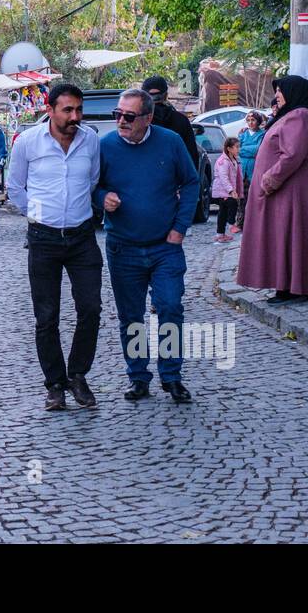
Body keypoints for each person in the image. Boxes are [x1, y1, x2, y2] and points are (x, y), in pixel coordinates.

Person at [97, 88, 200, 404]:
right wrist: (103, 198)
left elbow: (192, 181)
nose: (121, 121)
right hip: (122, 247)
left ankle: (172, 377)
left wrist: (180, 228)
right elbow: (91, 186)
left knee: (170, 307)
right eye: (118, 114)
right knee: (131, 316)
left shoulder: (170, 142)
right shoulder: (105, 146)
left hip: (164, 247)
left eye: (129, 116)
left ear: (148, 117)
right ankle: (138, 378)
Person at [6, 83, 102, 411]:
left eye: (78, 110)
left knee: (91, 309)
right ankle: (54, 384)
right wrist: (39, 215)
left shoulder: (90, 140)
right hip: (43, 239)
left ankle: (77, 374)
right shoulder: (28, 143)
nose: (75, 116)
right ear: (50, 110)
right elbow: (15, 186)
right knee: (47, 316)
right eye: (67, 110)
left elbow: (92, 181)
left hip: (82, 237)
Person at [237, 76, 308, 305]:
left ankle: (294, 287)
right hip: (288, 189)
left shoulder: (299, 116)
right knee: (288, 235)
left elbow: (292, 154)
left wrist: (269, 180)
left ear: (294, 92)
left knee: (289, 234)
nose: (277, 95)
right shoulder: (294, 115)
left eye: (280, 90)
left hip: (289, 189)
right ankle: (291, 285)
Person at [141, 75, 199, 169]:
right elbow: (191, 158)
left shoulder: (137, 120)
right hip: (176, 179)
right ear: (166, 95)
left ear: (143, 97)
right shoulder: (182, 120)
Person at [212, 137, 244, 242]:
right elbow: (223, 177)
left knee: (222, 212)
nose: (239, 149)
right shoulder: (223, 161)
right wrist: (231, 190)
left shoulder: (234, 159)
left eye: (239, 147)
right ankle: (231, 223)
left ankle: (220, 234)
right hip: (224, 191)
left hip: (229, 190)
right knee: (232, 204)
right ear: (229, 149)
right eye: (237, 147)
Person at [237, 111, 265, 229]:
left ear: (258, 121)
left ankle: (253, 223)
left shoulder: (262, 134)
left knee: (252, 197)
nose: (250, 123)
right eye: (248, 120)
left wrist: (245, 150)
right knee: (240, 199)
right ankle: (240, 222)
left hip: (254, 169)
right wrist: (247, 150)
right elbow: (238, 149)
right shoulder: (243, 134)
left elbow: (258, 149)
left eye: (253, 120)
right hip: (242, 169)